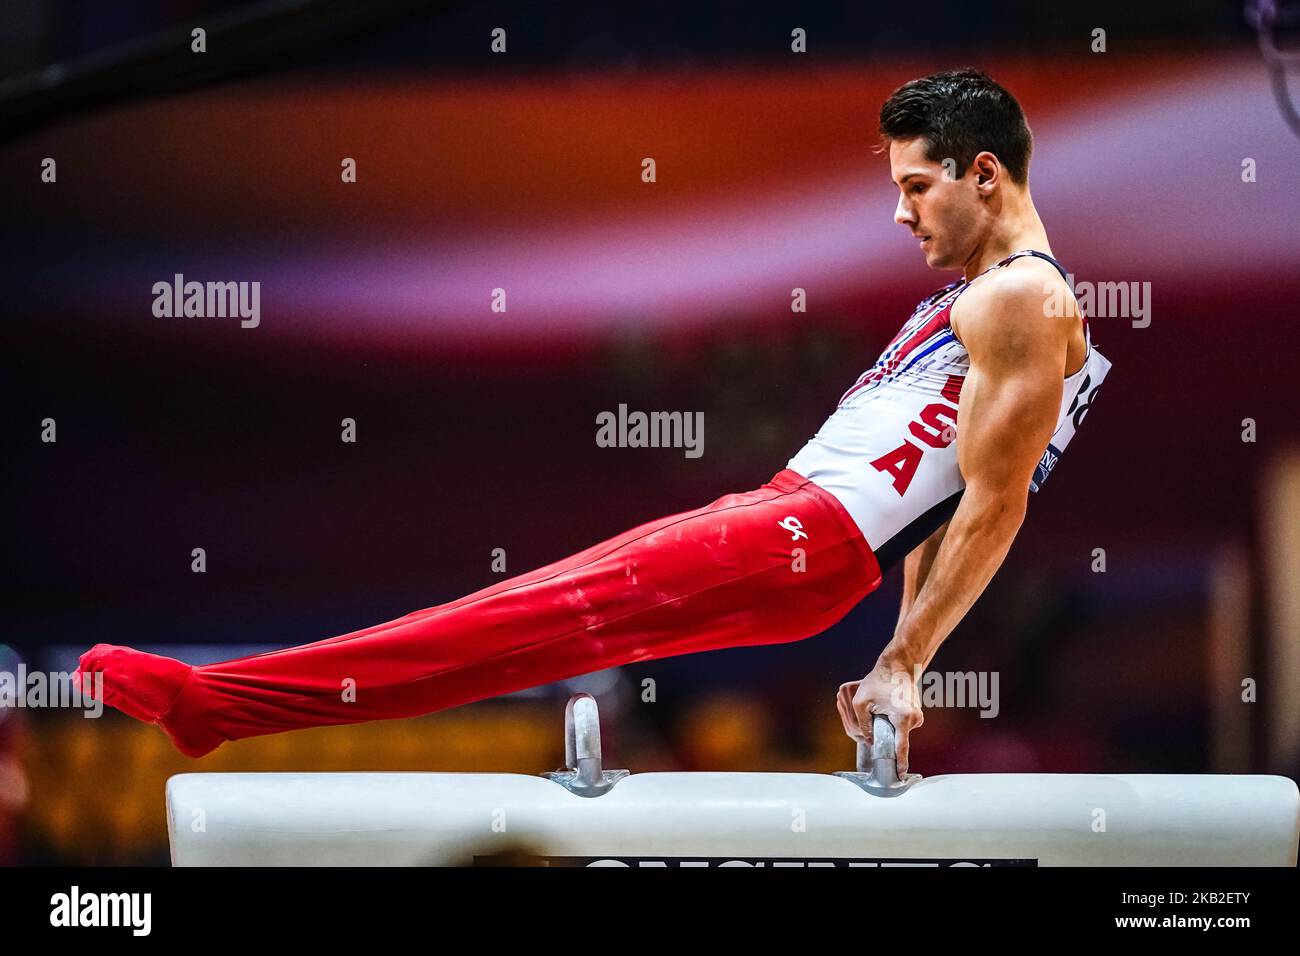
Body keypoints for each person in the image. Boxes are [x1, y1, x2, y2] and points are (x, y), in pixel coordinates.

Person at [76, 69, 1111, 765]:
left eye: (917, 185)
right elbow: (947, 509)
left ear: (984, 172)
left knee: (514, 619)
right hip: (802, 538)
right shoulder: (980, 299)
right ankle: (227, 706)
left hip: (801, 538)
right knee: (519, 628)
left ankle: (218, 703)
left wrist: (904, 661)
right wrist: (897, 656)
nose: (900, 212)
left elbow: (996, 499)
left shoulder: (1020, 296)